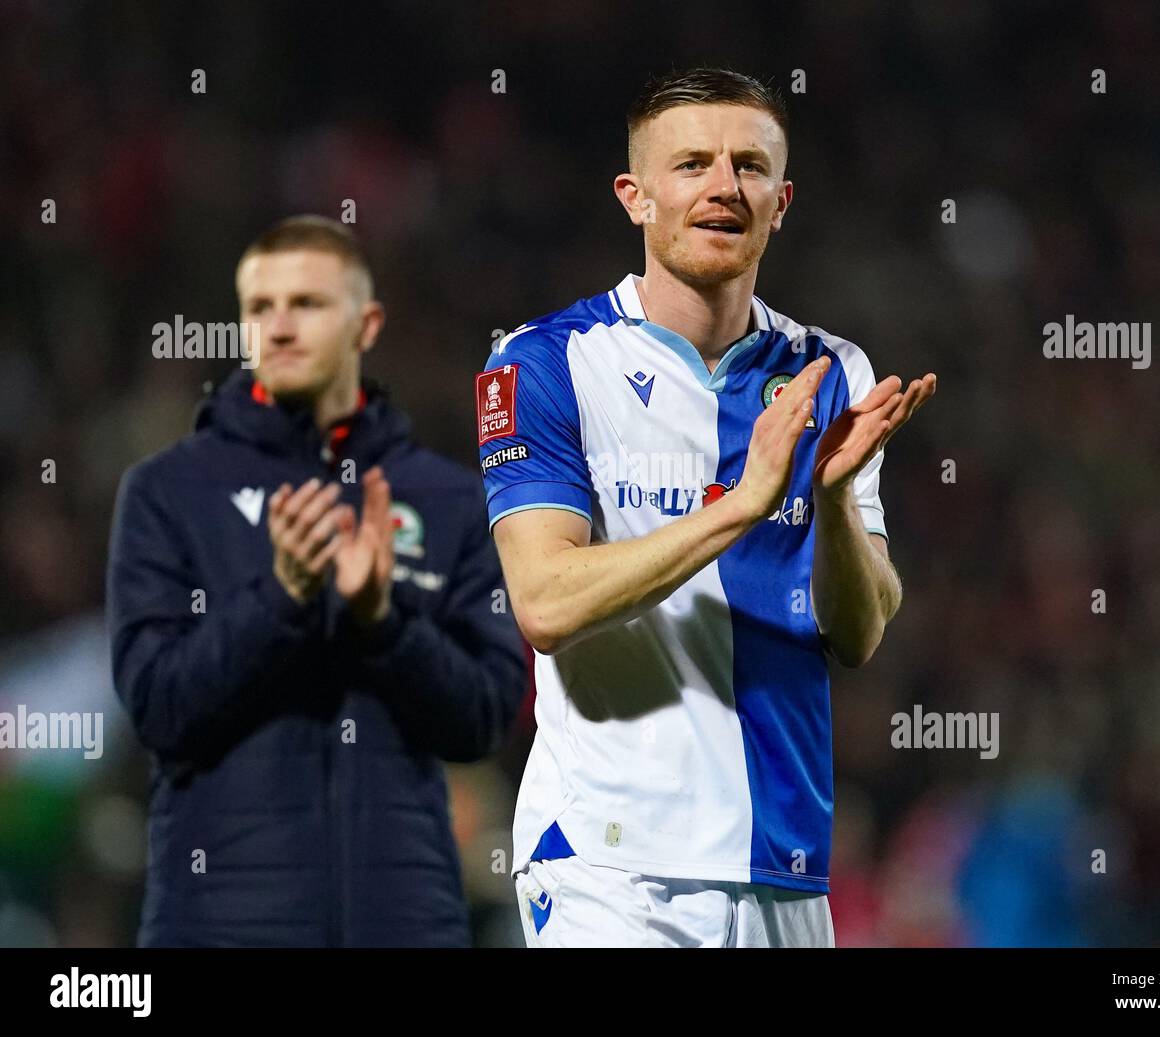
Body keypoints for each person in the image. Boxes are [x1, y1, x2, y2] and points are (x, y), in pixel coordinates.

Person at [478, 68, 936, 947]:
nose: (724, 185)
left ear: (782, 200)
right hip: (612, 870)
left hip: (785, 867)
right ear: (635, 196)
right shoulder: (545, 362)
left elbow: (861, 630)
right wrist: (742, 506)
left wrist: (833, 501)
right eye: (691, 164)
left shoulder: (831, 371)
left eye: (749, 166)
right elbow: (544, 600)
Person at [108, 215, 526, 946]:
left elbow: (483, 718)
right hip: (219, 928)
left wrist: (380, 619)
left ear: (366, 325)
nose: (279, 325)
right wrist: (282, 596)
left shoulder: (447, 499)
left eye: (306, 303)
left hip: (405, 926)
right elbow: (157, 706)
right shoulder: (168, 492)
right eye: (259, 308)